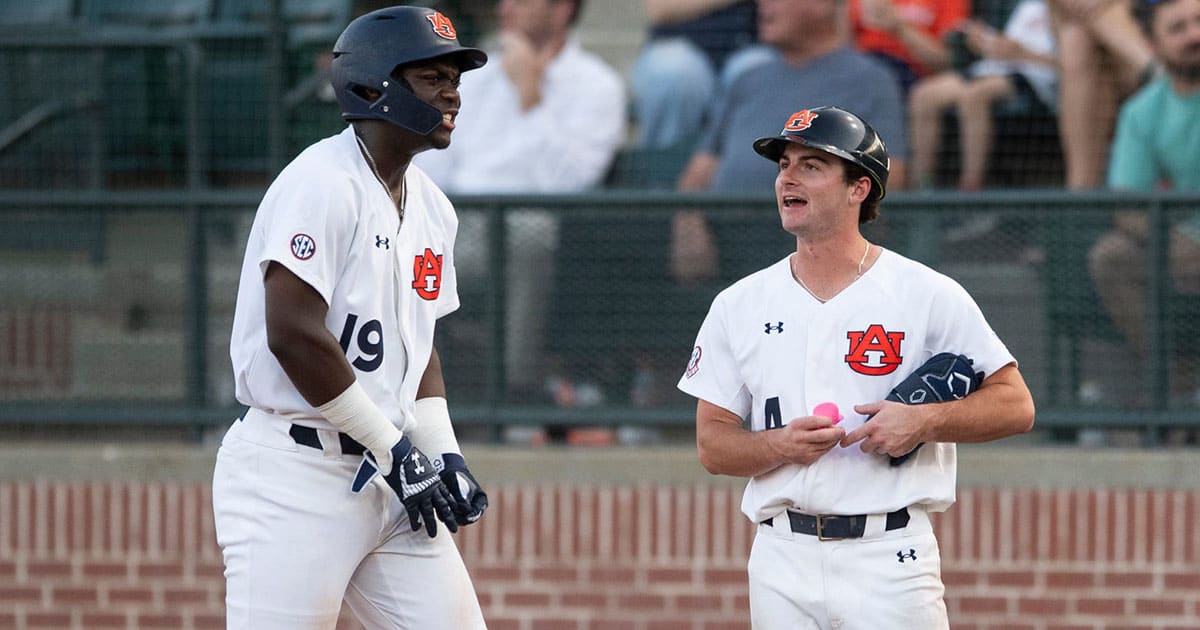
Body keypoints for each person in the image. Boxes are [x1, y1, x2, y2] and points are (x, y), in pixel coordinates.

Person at [676, 105, 1036, 628]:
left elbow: (1016, 404)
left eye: (811, 166)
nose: (788, 178)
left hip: (889, 556)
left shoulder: (927, 293)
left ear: (858, 189)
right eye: (784, 165)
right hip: (781, 553)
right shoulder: (739, 303)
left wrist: (925, 420)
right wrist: (778, 445)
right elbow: (712, 446)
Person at [213, 7, 490, 628]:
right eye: (432, 76)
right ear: (372, 86)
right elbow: (292, 333)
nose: (452, 93)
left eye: (456, 77)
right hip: (293, 474)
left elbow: (418, 351)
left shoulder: (434, 209)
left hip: (385, 475)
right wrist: (397, 448)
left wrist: (443, 453)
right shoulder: (319, 182)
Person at [415, 0, 627, 412]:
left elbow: (569, 181)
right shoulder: (472, 78)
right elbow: (431, 165)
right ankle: (413, 395)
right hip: (461, 222)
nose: (505, 6)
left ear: (562, 9)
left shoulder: (598, 85)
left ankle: (516, 397)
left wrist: (530, 92)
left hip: (548, 235)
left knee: (529, 233)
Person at [673, 0, 909, 286]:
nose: (763, 7)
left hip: (813, 254)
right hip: (728, 250)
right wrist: (689, 227)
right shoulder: (747, 80)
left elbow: (890, 176)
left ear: (821, 7)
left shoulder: (870, 80)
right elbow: (699, 171)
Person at [1087, 0, 1200, 411]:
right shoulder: (1143, 111)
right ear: (1154, 44)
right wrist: (1176, 243)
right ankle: (1176, 387)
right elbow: (1128, 204)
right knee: (1111, 256)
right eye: (1179, 28)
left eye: (1199, 22)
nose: (1194, 35)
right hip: (1178, 245)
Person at [908, 0, 1058, 191]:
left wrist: (1023, 53)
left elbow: (1068, 68)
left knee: (974, 95)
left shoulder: (1069, 13)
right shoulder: (1028, 6)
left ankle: (970, 190)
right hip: (994, 67)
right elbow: (1005, 43)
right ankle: (921, 188)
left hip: (1036, 78)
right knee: (924, 95)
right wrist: (984, 41)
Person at [629, 0, 775, 150]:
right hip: (679, 47)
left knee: (759, 72)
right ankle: (663, 168)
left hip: (754, 48)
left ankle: (748, 169)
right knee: (674, 75)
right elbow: (659, 8)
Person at [1048, 0, 1157, 188]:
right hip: (1119, 65)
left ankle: (1079, 190)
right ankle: (1157, 73)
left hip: (1162, 30)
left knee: (1085, 29)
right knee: (1076, 38)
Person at [848, 0, 970, 97]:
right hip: (864, 61)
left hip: (909, 70)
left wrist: (899, 27)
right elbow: (842, 43)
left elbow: (944, 61)